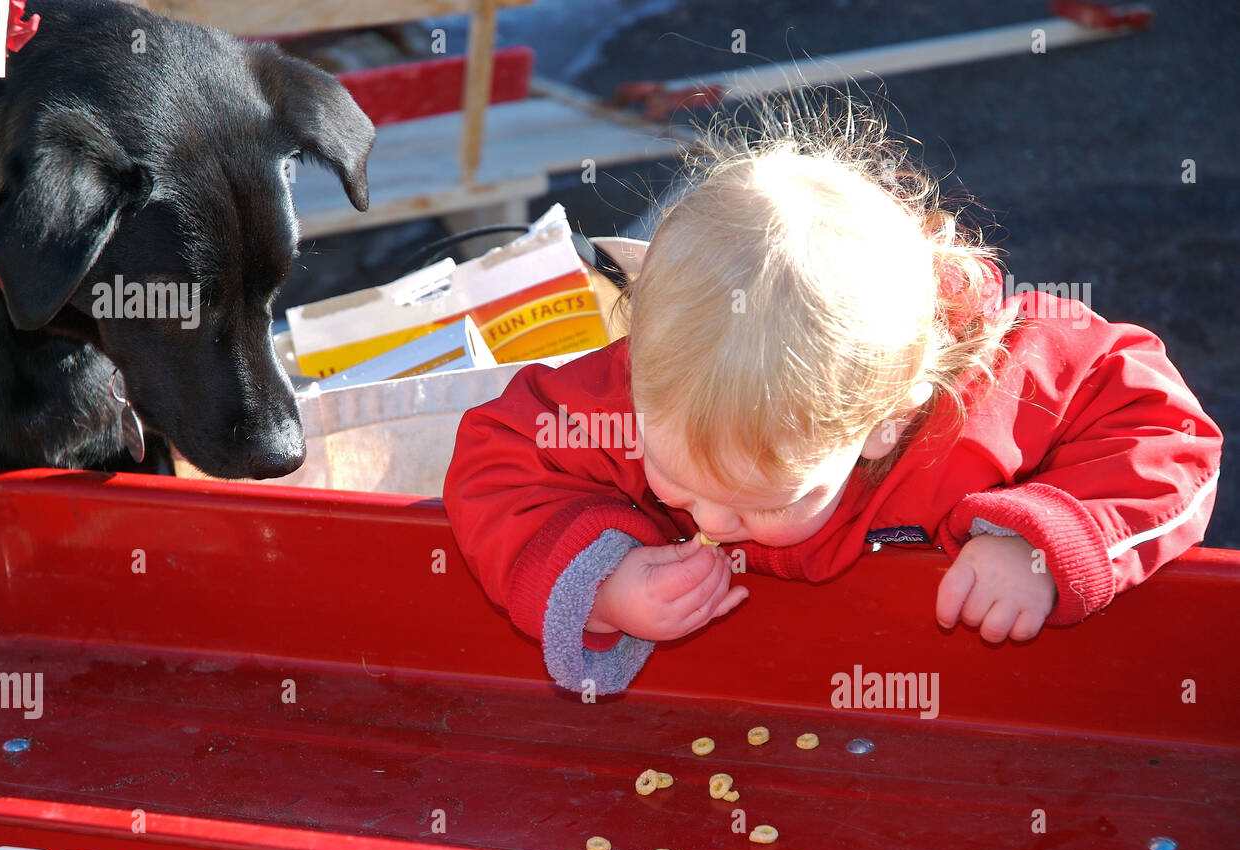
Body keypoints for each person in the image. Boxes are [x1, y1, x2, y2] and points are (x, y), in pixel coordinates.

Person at [442, 92, 1223, 695]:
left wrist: (1044, 543)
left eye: (764, 503)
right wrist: (602, 581)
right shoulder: (664, 383)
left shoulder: (1004, 379)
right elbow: (497, 459)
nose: (712, 524)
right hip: (765, 691)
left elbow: (1171, 438)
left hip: (962, 712)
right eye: (676, 480)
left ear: (887, 419)